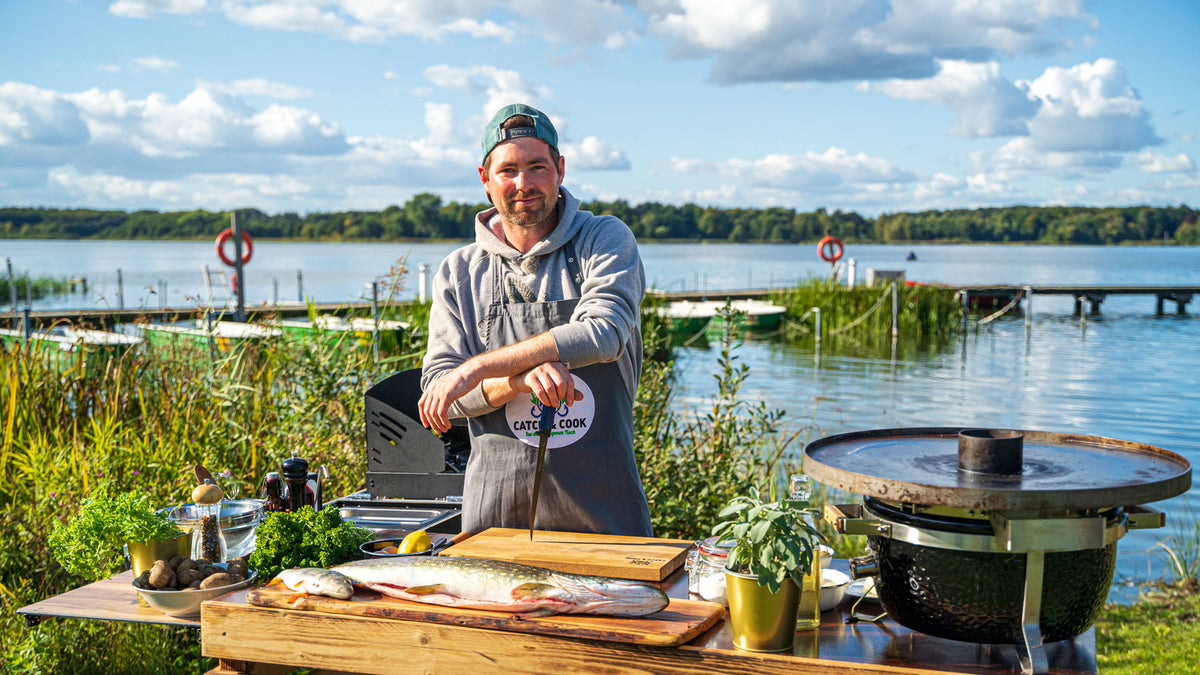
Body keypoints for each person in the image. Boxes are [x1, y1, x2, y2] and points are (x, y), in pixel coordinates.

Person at [418, 103, 653, 538]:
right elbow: (443, 397)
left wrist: (479, 366)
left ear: (560, 170)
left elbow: (603, 332)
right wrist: (518, 381)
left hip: (605, 520)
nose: (523, 183)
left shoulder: (603, 239)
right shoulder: (459, 271)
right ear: (485, 180)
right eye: (507, 170)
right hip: (494, 523)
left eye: (537, 166)